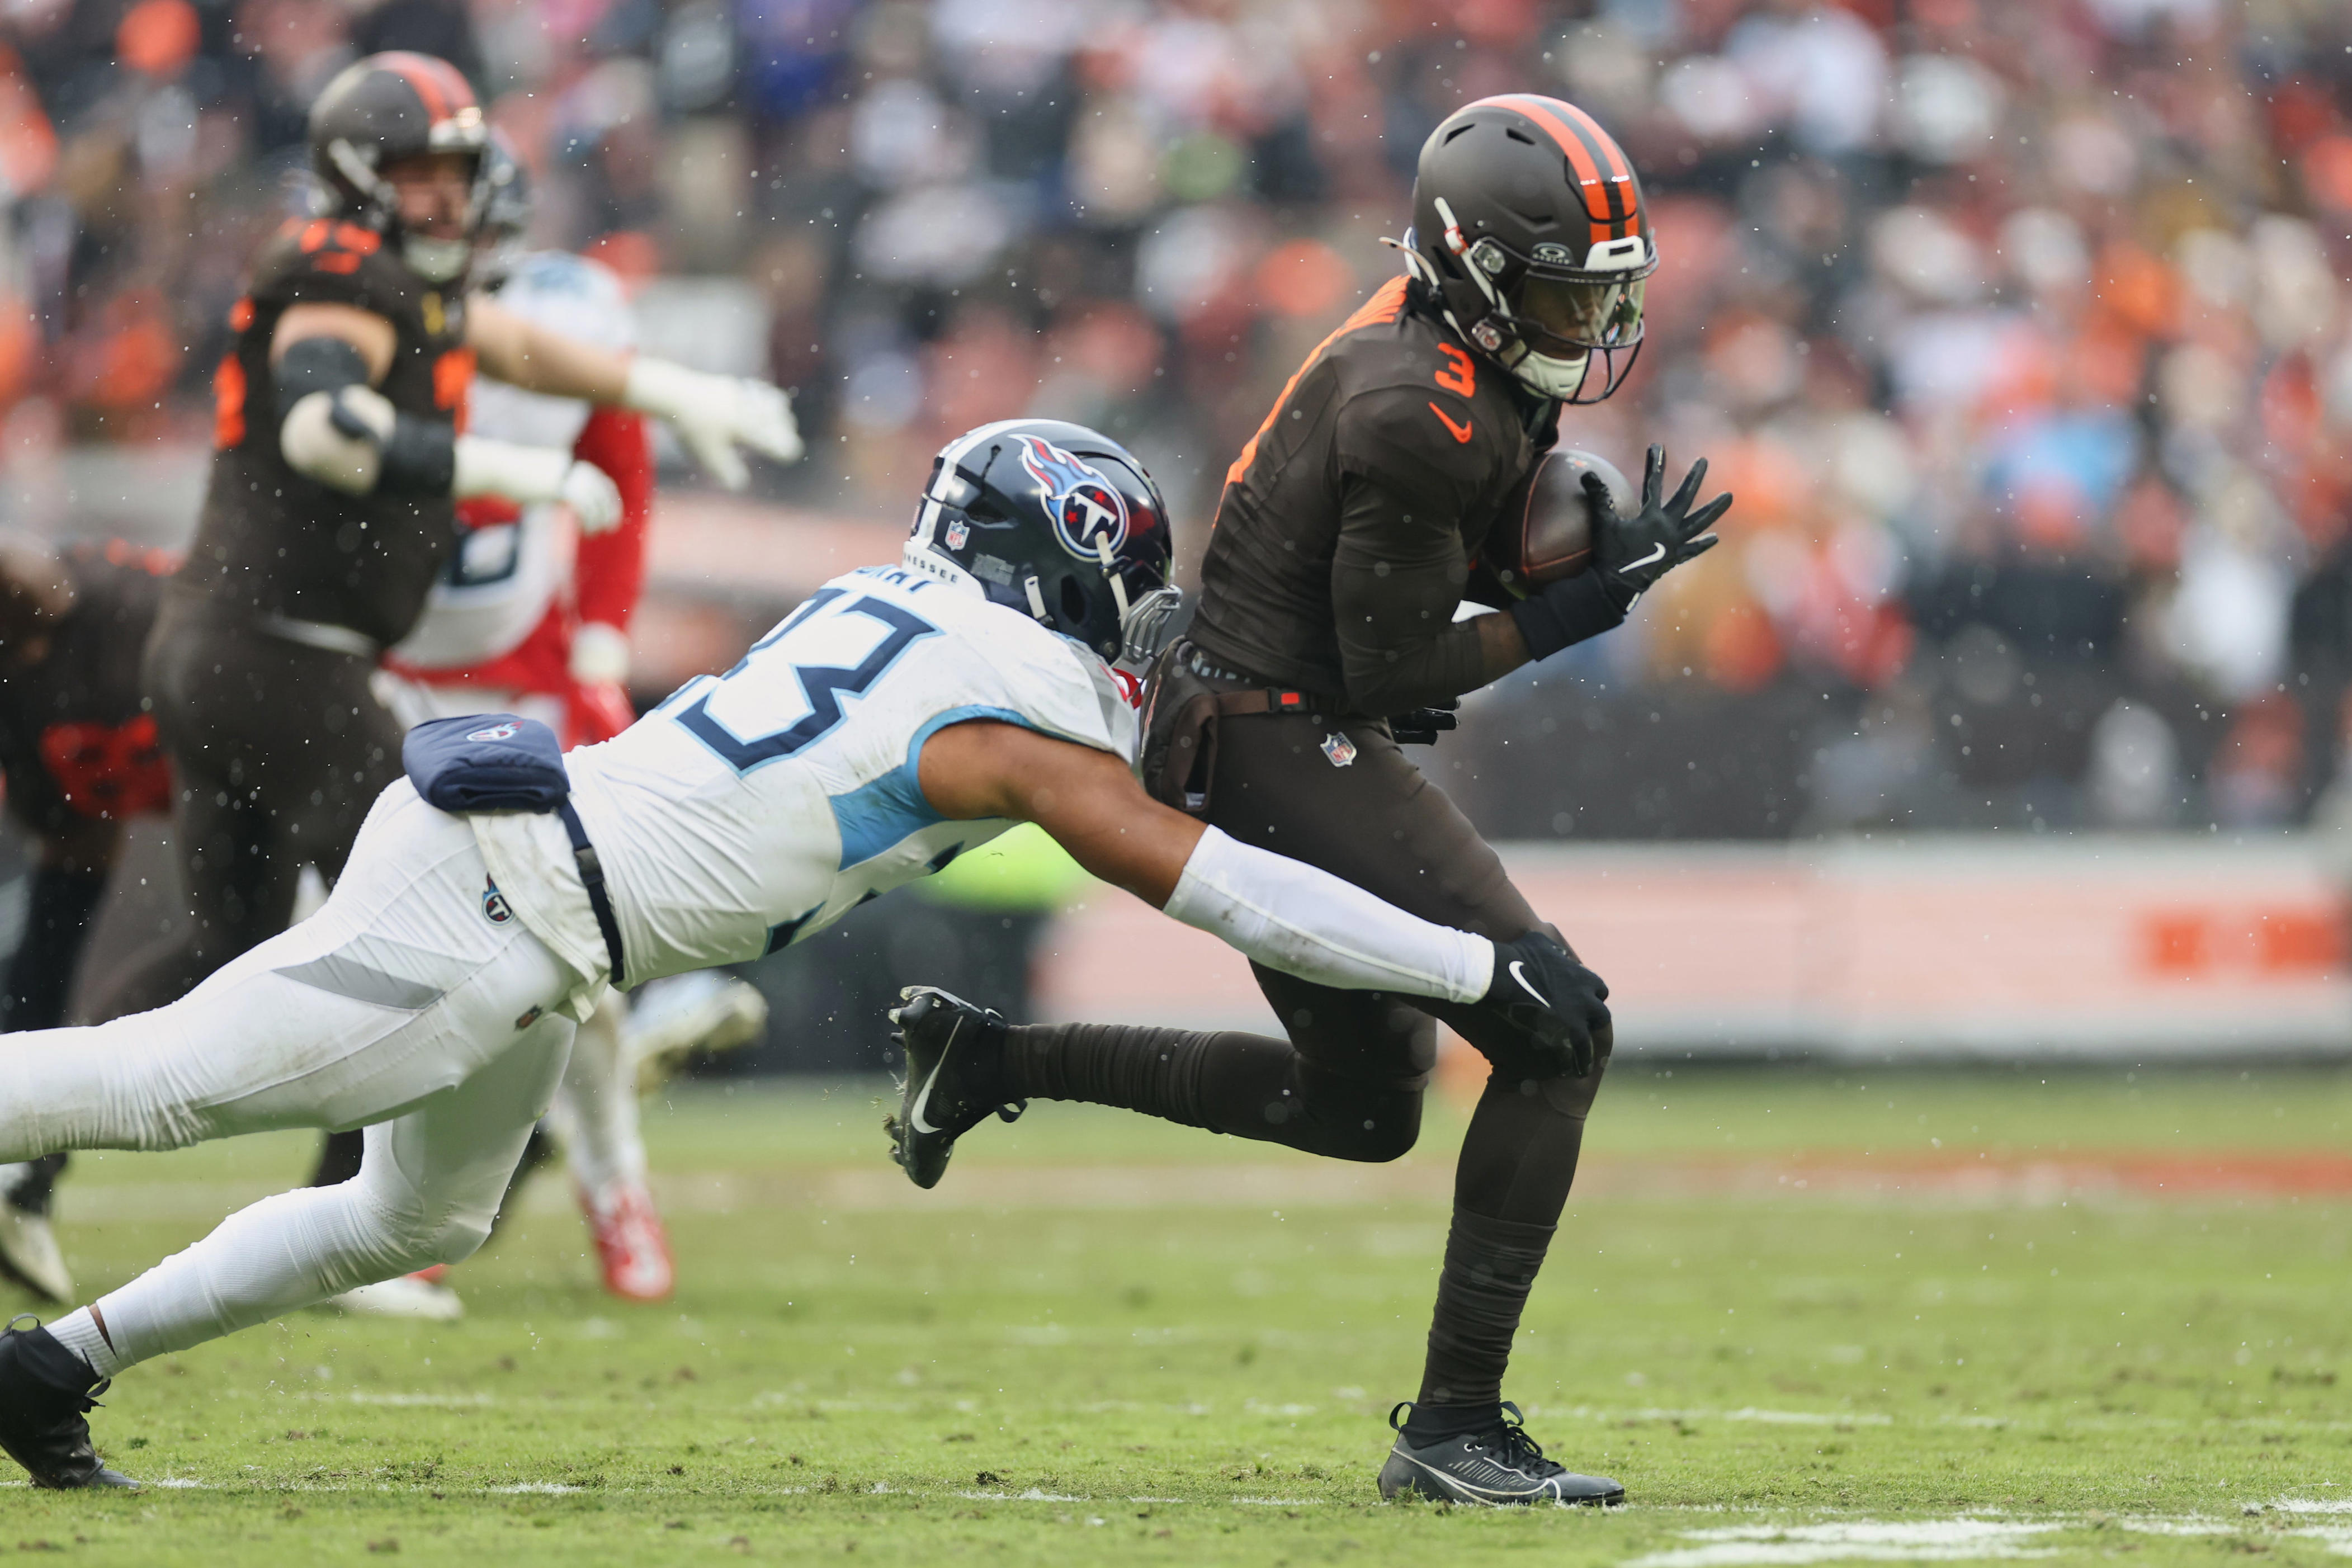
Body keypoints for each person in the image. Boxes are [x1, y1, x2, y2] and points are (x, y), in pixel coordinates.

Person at [0, 418, 1606, 1491]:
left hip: (531, 898)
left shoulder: (890, 606)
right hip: (503, 907)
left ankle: (52, 1368)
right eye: (1118, 586)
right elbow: (1230, 890)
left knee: (417, 1209)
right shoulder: (997, 721)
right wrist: (1471, 973)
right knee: (152, 1087)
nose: (1131, 621)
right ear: (1064, 563)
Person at [886, 96, 1728, 1507]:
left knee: (1361, 1107)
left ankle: (988, 1063)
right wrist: (1581, 601)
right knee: (1553, 1021)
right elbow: (1396, 661)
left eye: (1601, 296)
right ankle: (1454, 1425)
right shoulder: (1418, 403)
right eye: (1560, 294)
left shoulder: (1449, 348)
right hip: (1265, 734)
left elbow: (1386, 627)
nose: (1586, 327)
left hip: (1266, 714)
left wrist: (1541, 566)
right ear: (1473, 266)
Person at [90, 51, 800, 1217]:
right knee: (432, 912)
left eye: (458, 172)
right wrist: (517, 468)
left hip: (229, 649)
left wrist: (671, 394)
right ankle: (360, 1211)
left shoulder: (393, 281)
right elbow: (328, 427)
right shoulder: (336, 272)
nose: (448, 197)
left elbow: (515, 347)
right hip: (283, 656)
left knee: (225, 944)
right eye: (422, 173)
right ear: (359, 174)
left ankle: (24, 1162)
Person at [362, 140, 763, 1310]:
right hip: (393, 675)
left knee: (574, 963)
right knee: (400, 965)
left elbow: (620, 475)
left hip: (523, 679)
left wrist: (599, 645)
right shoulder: (368, 311)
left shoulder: (561, 311)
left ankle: (612, 1180)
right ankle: (396, 1211)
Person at [0, 538, 177, 1302]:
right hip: (101, 792)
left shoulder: (130, 618)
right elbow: (69, 835)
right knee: (45, 954)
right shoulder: (29, 677)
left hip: (236, 777)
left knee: (263, 939)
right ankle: (24, 1178)